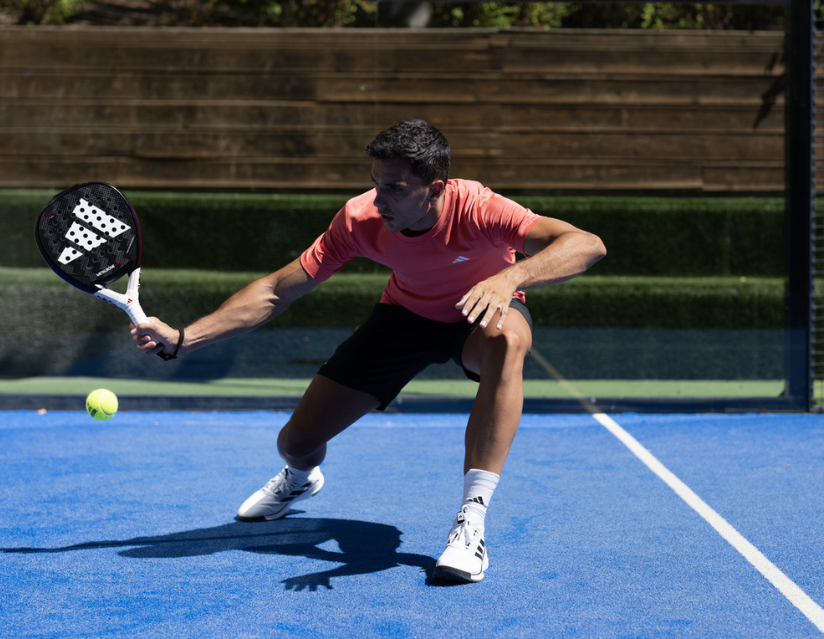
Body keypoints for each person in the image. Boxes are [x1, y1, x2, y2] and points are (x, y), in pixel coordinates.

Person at [131, 119, 606, 583]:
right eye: (376, 184)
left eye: (395, 188)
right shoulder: (360, 218)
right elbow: (277, 290)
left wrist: (510, 276)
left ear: (436, 188)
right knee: (295, 443)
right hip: (403, 320)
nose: (380, 200)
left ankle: (471, 521)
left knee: (507, 339)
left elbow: (587, 244)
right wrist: (183, 338)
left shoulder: (481, 208)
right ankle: (299, 479)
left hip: (478, 315)